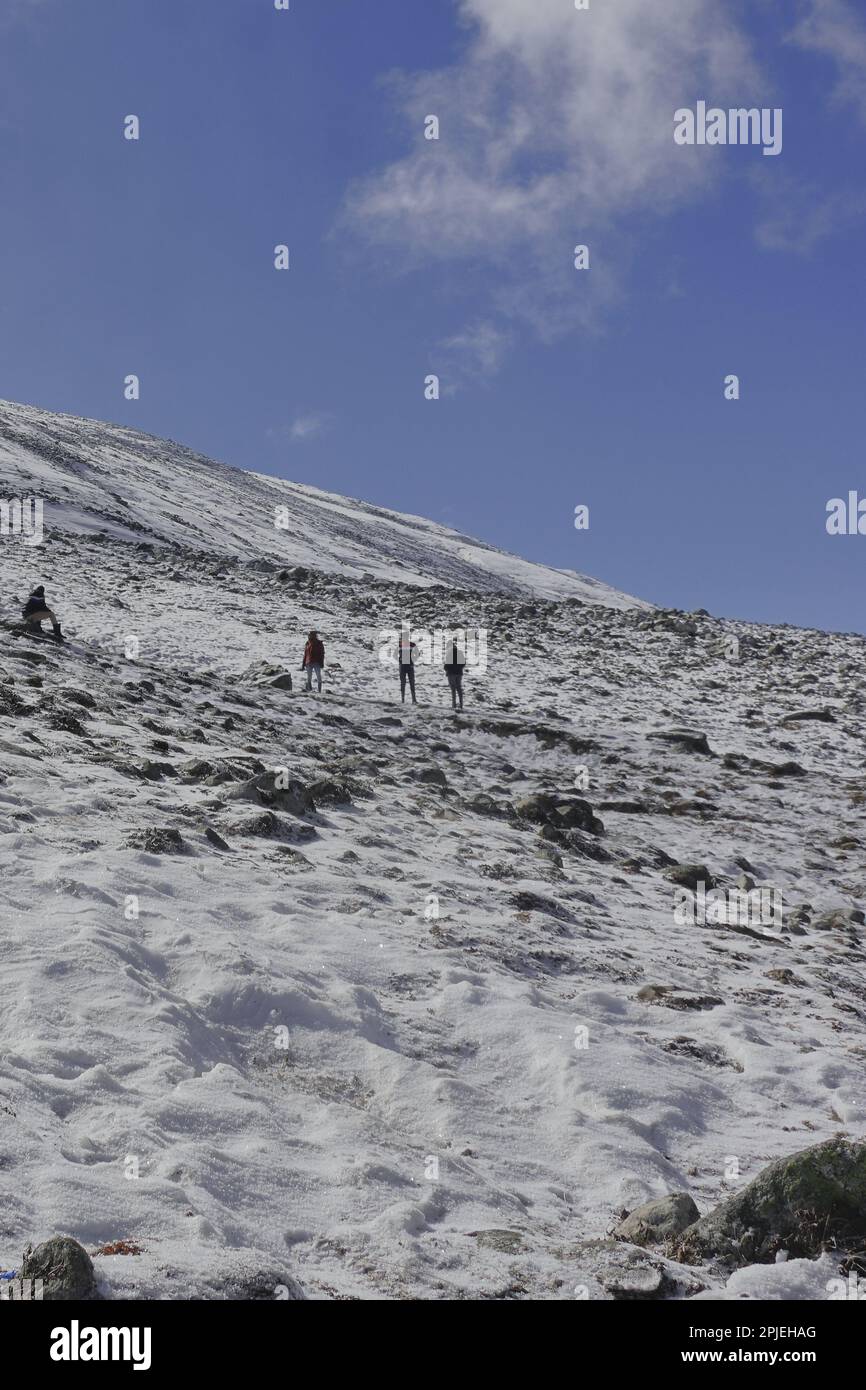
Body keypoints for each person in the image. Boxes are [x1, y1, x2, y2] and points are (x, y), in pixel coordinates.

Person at [443, 630, 465, 710]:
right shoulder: (460, 653)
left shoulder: (449, 654)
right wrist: (459, 668)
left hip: (451, 673)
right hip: (459, 673)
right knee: (459, 688)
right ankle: (461, 704)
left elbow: (447, 665)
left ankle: (454, 704)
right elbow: (463, 663)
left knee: (453, 689)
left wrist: (446, 669)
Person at [399, 633, 418, 704]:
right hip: (405, 666)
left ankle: (412, 699)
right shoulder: (400, 645)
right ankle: (404, 699)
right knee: (404, 683)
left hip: (407, 666)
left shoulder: (412, 645)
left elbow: (417, 654)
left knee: (410, 683)